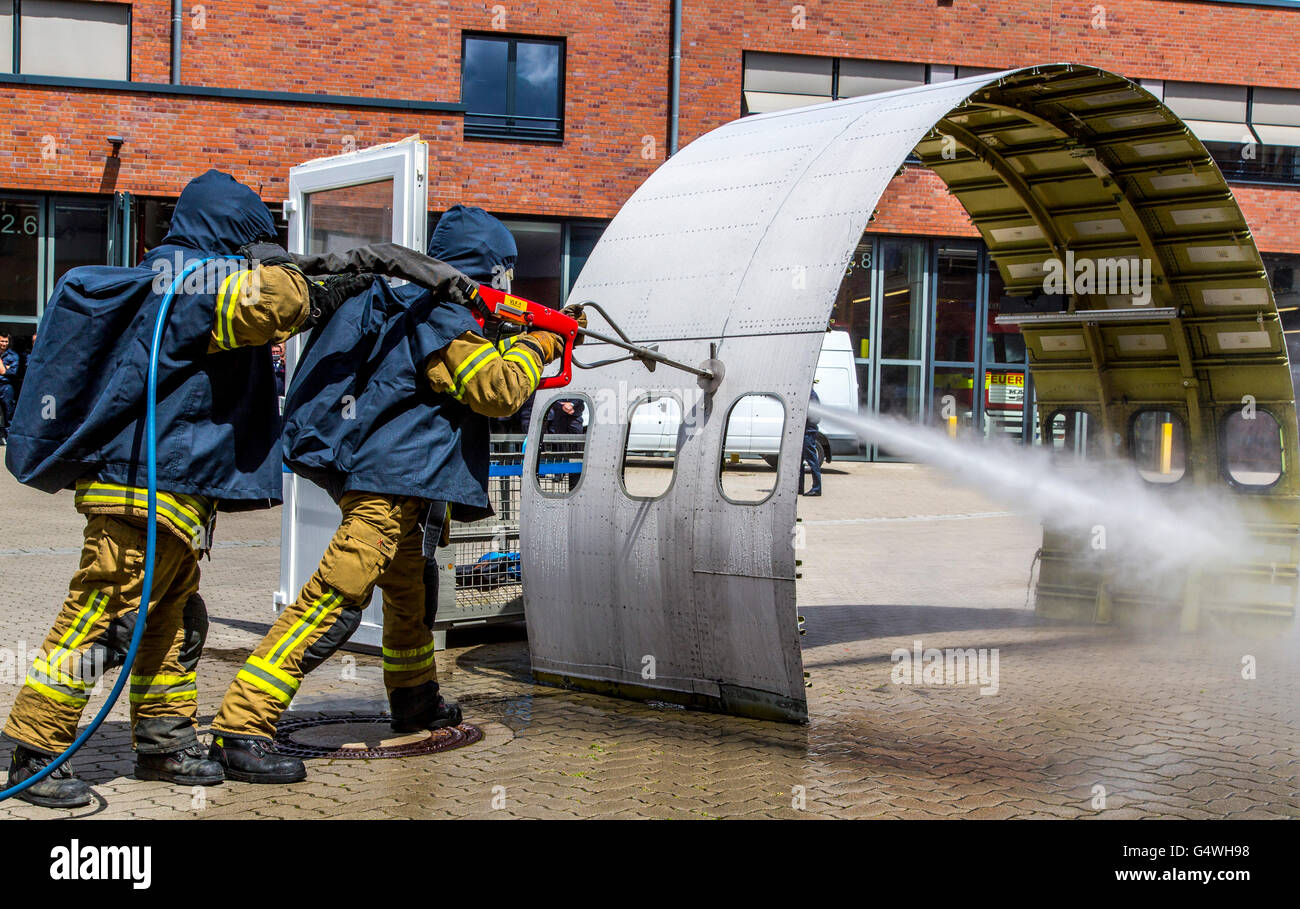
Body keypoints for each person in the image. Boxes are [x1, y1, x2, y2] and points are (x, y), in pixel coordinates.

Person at [1, 170, 369, 808]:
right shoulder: (188, 283)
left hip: (174, 492)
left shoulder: (181, 279)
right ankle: (38, 746)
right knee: (99, 619)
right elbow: (271, 306)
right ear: (235, 237)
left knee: (173, 622)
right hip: (145, 491)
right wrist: (322, 273)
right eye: (258, 243)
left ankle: (164, 741)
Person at [208, 205, 579, 783]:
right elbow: (496, 389)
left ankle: (415, 701)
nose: (507, 283)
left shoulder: (418, 305)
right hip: (388, 488)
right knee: (335, 599)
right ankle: (242, 727)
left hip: (404, 486)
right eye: (503, 271)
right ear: (489, 269)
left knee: (411, 595)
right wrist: (540, 345)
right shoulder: (443, 316)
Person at [799, 386, 822, 497]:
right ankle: (799, 487)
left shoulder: (811, 395)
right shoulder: (807, 394)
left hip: (808, 431)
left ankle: (817, 488)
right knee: (799, 461)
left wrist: (805, 419)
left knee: (812, 460)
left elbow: (816, 416)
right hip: (803, 431)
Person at [0, 331, 18, 444]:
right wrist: (4, 369)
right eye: (2, 341)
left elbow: (12, 372)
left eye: (6, 341)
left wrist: (4, 369)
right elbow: (3, 371)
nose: (4, 343)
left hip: (6, 387)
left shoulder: (13, 355)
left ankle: (9, 439)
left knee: (8, 413)